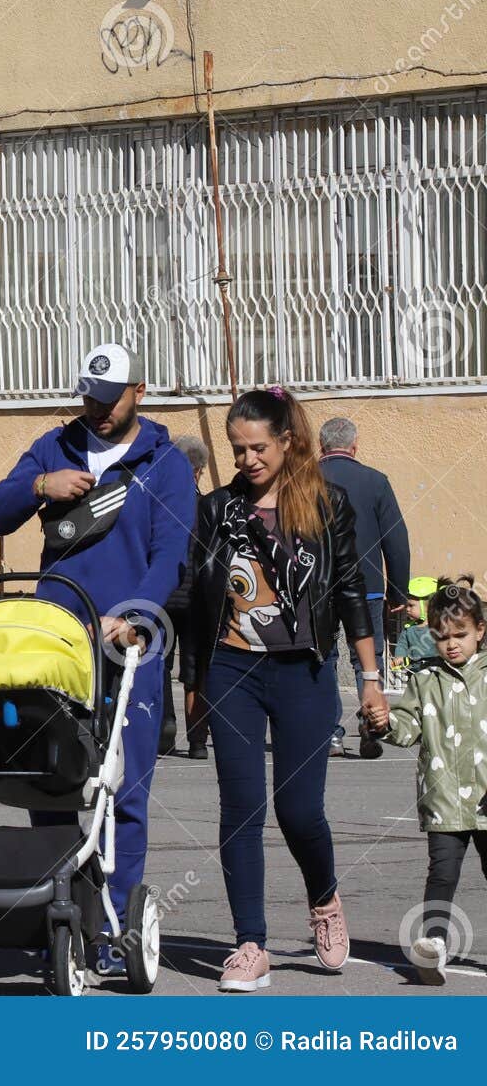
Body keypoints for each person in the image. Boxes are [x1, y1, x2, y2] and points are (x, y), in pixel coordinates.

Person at [0, 343, 194, 976]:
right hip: (58, 646)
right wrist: (40, 486)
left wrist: (133, 617)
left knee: (124, 792)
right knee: (51, 782)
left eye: (110, 399)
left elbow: (169, 556)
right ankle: (61, 917)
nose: (96, 410)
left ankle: (113, 928)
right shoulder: (54, 445)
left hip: (130, 647)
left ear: (140, 392)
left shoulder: (167, 463)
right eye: (88, 398)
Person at [184, 386, 385, 992]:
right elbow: (197, 594)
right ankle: (250, 944)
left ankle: (324, 901)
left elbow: (351, 591)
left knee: (299, 811)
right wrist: (192, 683)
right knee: (240, 809)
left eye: (258, 447)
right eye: (237, 449)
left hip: (306, 671)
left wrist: (370, 681)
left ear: (288, 442)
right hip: (232, 669)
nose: (247, 459)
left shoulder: (329, 504)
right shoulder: (218, 509)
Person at [369, 575, 487, 985]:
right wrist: (383, 723)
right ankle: (433, 945)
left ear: (480, 632)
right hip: (443, 798)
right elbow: (407, 729)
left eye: (460, 634)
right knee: (442, 872)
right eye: (441, 637)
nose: (451, 643)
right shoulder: (425, 680)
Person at [319, 415, 411, 758]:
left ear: (321, 446)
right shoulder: (375, 481)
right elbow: (396, 539)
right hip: (369, 586)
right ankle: (371, 725)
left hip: (319, 587)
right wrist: (398, 592)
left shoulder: (303, 479)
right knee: (368, 660)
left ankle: (330, 733)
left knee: (325, 658)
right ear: (354, 447)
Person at [167, 433, 210, 759]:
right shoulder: (207, 507)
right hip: (197, 599)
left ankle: (162, 732)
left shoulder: (158, 504)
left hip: (162, 597)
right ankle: (197, 741)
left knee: (156, 667)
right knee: (195, 671)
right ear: (198, 471)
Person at [395, 575, 441, 665]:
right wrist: (400, 656)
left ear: (428, 607)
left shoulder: (439, 626)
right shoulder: (409, 628)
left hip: (437, 668)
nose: (407, 609)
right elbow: (402, 645)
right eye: (406, 605)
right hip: (415, 670)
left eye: (411, 605)